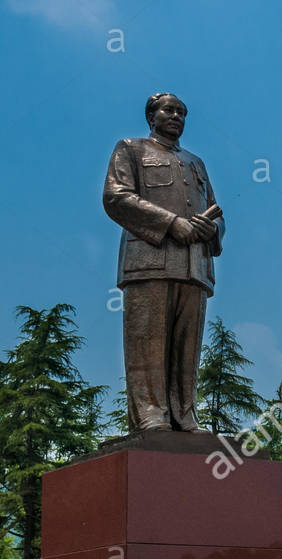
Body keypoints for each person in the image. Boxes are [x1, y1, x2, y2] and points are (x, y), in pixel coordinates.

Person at [103, 92, 225, 432]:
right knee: (148, 342)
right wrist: (173, 224)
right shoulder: (131, 149)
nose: (176, 116)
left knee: (187, 347)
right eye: (168, 110)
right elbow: (116, 197)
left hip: (194, 268)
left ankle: (185, 414)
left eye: (182, 112)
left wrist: (209, 228)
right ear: (151, 116)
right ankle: (150, 414)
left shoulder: (196, 163)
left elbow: (217, 213)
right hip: (149, 262)